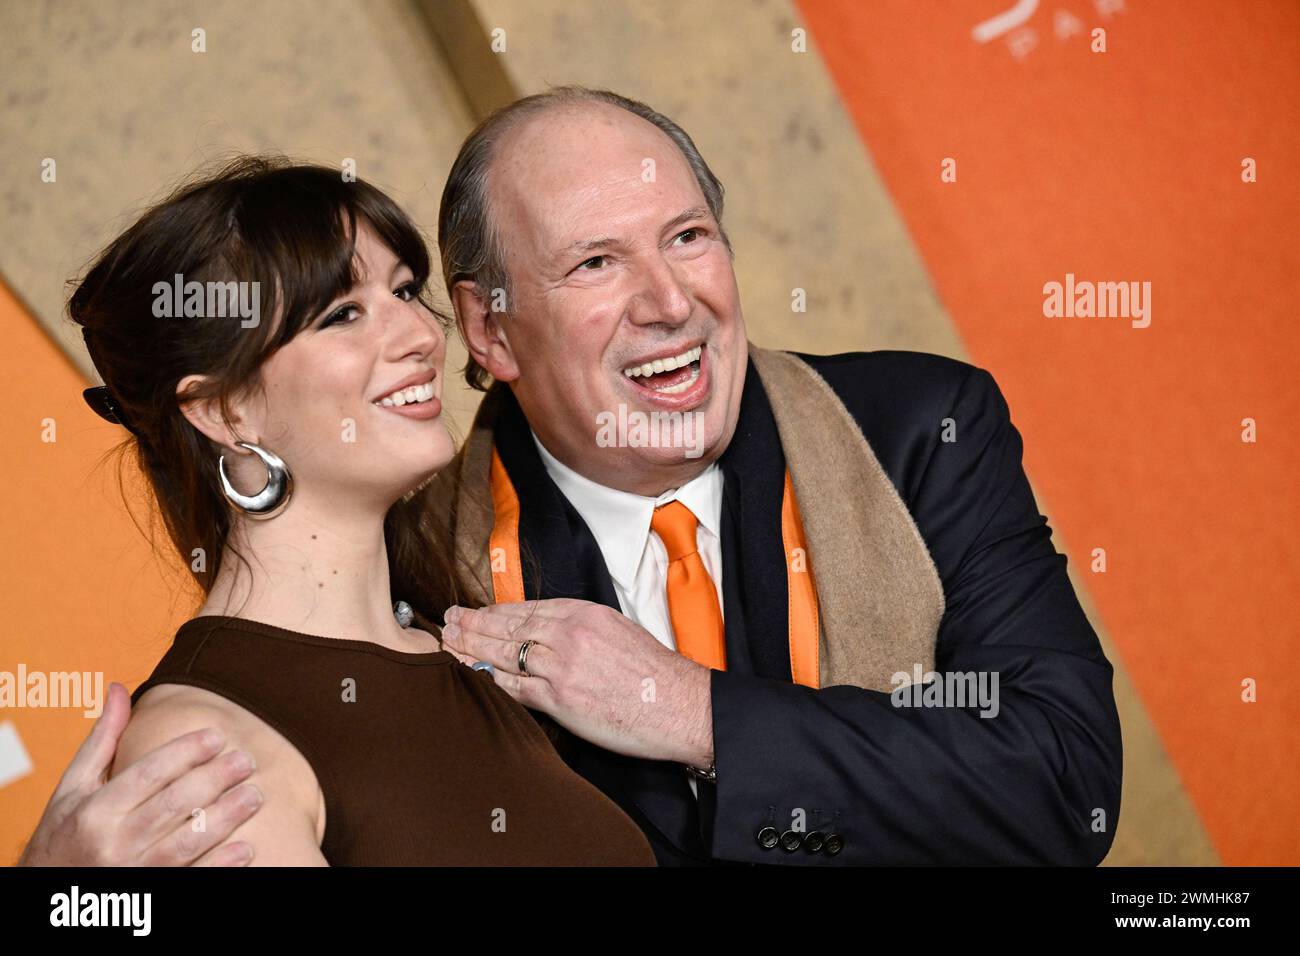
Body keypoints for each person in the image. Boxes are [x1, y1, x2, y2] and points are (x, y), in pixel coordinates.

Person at [425, 86, 1124, 865]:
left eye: (688, 237)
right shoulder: (418, 561)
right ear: (490, 327)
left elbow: (1064, 780)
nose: (669, 301)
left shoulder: (923, 430)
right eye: (596, 262)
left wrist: (698, 716)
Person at [19, 156, 654, 866]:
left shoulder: (480, 646)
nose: (420, 336)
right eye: (343, 314)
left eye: (406, 291)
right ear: (225, 409)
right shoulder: (201, 753)